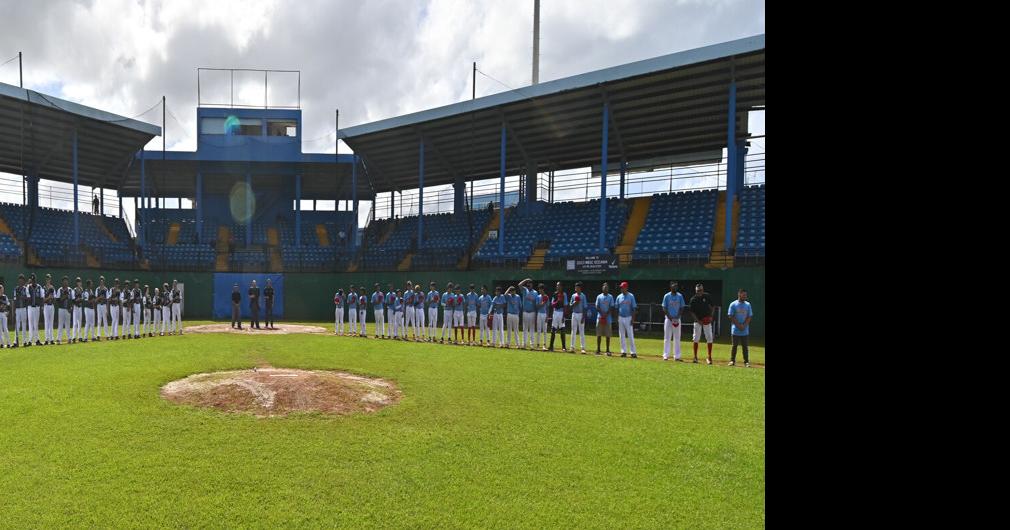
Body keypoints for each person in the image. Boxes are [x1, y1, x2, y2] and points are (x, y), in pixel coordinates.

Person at [689, 283, 716, 365]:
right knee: (696, 338)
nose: (699, 292)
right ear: (695, 291)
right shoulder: (693, 299)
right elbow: (692, 312)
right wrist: (698, 320)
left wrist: (711, 316)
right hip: (698, 321)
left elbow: (713, 306)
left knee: (709, 338)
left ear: (703, 290)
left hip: (707, 320)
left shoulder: (707, 296)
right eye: (697, 291)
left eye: (700, 290)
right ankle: (695, 357)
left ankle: (709, 357)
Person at [727, 289, 753, 367]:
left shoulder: (748, 304)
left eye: (746, 295)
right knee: (734, 346)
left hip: (745, 330)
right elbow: (730, 315)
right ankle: (732, 361)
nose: (745, 296)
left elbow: (749, 316)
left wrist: (744, 325)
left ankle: (746, 362)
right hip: (735, 329)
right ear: (739, 294)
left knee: (745, 347)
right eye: (743, 295)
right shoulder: (733, 304)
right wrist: (738, 325)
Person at [662, 281, 687, 361]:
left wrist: (678, 316)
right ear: (671, 287)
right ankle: (665, 355)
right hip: (668, 319)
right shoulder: (666, 296)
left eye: (676, 286)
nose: (675, 287)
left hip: (677, 319)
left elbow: (682, 307)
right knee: (667, 337)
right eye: (674, 286)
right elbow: (664, 307)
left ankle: (677, 356)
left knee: (677, 338)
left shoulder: (680, 296)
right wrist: (669, 317)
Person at [616, 281, 637, 358]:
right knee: (621, 336)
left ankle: (633, 352)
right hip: (621, 317)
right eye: (621, 287)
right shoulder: (619, 297)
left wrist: (633, 319)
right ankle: (623, 351)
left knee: (630, 335)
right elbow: (617, 308)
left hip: (628, 317)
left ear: (626, 288)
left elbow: (634, 308)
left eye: (623, 287)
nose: (621, 288)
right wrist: (617, 318)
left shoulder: (631, 296)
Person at [595, 282, 614, 355]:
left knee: (608, 335)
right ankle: (598, 349)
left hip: (608, 318)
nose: (605, 288)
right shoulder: (599, 296)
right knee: (598, 334)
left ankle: (607, 350)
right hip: (600, 317)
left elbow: (611, 306)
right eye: (604, 287)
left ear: (608, 289)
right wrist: (602, 313)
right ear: (602, 288)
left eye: (606, 287)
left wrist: (606, 314)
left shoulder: (610, 297)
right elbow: (597, 306)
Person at [548, 281, 568, 352]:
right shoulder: (555, 294)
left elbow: (565, 305)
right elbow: (552, 304)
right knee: (553, 330)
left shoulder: (564, 294)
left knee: (562, 330)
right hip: (555, 312)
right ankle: (551, 346)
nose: (557, 287)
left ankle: (564, 347)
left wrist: (563, 316)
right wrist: (557, 301)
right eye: (557, 285)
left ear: (561, 287)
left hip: (561, 312)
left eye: (559, 285)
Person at [518, 278, 537, 349]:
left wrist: (532, 300)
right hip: (525, 312)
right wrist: (526, 280)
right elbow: (519, 285)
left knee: (532, 329)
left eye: (530, 283)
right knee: (525, 329)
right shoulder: (524, 290)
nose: (528, 285)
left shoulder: (535, 292)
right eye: (527, 283)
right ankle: (524, 344)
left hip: (532, 312)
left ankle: (532, 344)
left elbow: (536, 303)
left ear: (532, 285)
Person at [569, 282, 588, 354]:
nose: (576, 288)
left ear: (580, 288)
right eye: (575, 287)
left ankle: (583, 348)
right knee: (573, 331)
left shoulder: (583, 296)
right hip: (574, 314)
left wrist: (583, 317)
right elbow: (570, 305)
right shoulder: (573, 295)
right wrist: (574, 303)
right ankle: (572, 347)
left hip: (581, 314)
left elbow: (585, 307)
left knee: (581, 332)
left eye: (577, 287)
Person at [55, 276, 72, 345]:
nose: (65, 282)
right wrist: (63, 297)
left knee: (68, 325)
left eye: (66, 281)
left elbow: (72, 300)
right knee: (60, 324)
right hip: (61, 309)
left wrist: (71, 307)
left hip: (68, 309)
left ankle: (69, 338)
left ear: (68, 282)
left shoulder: (70, 290)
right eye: (64, 281)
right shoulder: (60, 290)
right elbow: (57, 300)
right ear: (62, 282)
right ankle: (59, 339)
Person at [28, 273, 42, 346]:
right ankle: (30, 340)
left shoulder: (39, 287)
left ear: (36, 280)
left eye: (34, 279)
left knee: (36, 324)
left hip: (37, 307)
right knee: (30, 324)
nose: (33, 281)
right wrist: (28, 283)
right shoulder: (28, 287)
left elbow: (41, 297)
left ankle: (37, 340)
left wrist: (41, 306)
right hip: (30, 307)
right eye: (32, 279)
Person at [42, 274, 55, 345]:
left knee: (51, 323)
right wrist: (49, 297)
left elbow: (54, 298)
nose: (48, 280)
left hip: (51, 306)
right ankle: (46, 339)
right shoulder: (43, 288)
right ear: (46, 280)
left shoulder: (52, 288)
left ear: (50, 279)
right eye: (47, 278)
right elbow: (43, 300)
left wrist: (51, 297)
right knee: (46, 323)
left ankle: (51, 339)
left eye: (49, 278)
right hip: (46, 306)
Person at [71, 277, 84, 344]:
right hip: (76, 307)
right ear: (76, 283)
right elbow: (73, 300)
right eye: (78, 282)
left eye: (80, 281)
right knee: (75, 323)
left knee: (80, 323)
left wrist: (80, 299)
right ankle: (73, 337)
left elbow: (83, 298)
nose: (80, 283)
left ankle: (80, 337)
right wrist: (77, 300)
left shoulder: (82, 289)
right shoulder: (74, 290)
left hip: (80, 307)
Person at [536, 284, 549, 350]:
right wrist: (543, 303)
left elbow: (547, 307)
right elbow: (537, 306)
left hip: (544, 314)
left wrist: (547, 316)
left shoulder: (546, 297)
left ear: (543, 289)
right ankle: (538, 344)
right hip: (539, 314)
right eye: (539, 289)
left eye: (540, 289)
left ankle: (544, 345)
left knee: (544, 330)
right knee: (538, 330)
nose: (539, 290)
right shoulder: (538, 297)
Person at [96, 276, 108, 341]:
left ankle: (106, 335)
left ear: (104, 281)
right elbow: (95, 299)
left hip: (104, 305)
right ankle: (98, 335)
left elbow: (107, 298)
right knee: (99, 321)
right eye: (100, 281)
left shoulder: (106, 289)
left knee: (105, 320)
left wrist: (103, 298)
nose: (101, 282)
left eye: (102, 280)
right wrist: (100, 297)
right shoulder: (97, 289)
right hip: (99, 306)